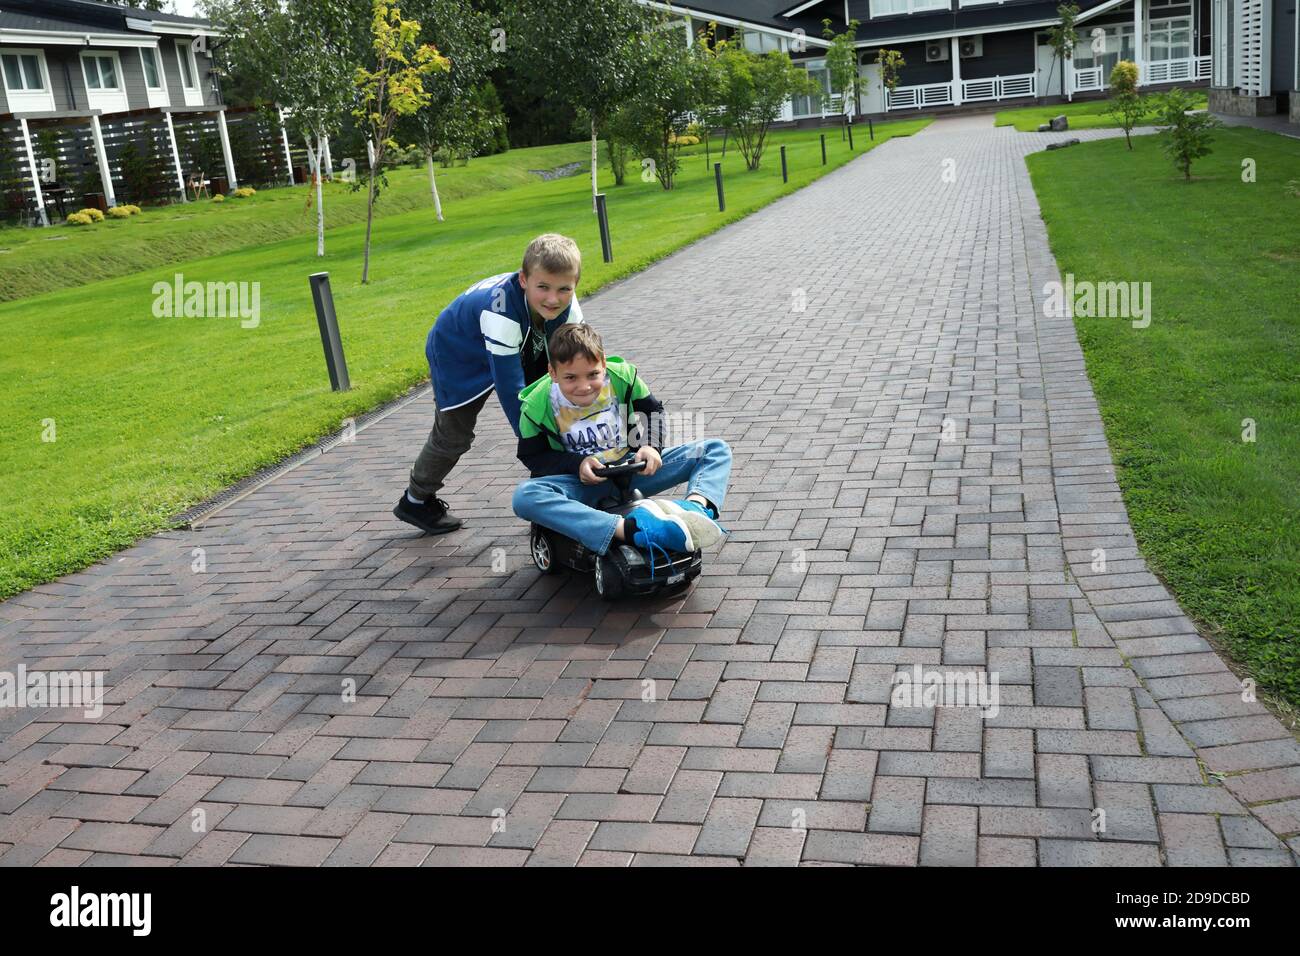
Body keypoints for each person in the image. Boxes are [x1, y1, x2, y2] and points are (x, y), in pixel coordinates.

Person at [394, 233, 585, 535]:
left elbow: (574, 368)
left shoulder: (568, 306)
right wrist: (538, 451)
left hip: (515, 340)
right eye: (543, 287)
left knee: (554, 402)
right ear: (524, 280)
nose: (553, 298)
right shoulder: (502, 314)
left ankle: (564, 487)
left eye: (564, 289)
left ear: (573, 286)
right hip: (457, 351)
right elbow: (512, 391)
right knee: (455, 435)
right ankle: (415, 500)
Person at [512, 324, 732, 574]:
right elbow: (532, 455)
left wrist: (651, 447)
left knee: (714, 449)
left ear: (603, 364)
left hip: (631, 470)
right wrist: (577, 464)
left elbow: (653, 413)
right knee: (524, 496)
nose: (584, 387)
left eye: (592, 374)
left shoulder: (623, 377)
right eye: (571, 377)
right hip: (581, 484)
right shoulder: (535, 406)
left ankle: (694, 512)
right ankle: (630, 530)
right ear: (552, 372)